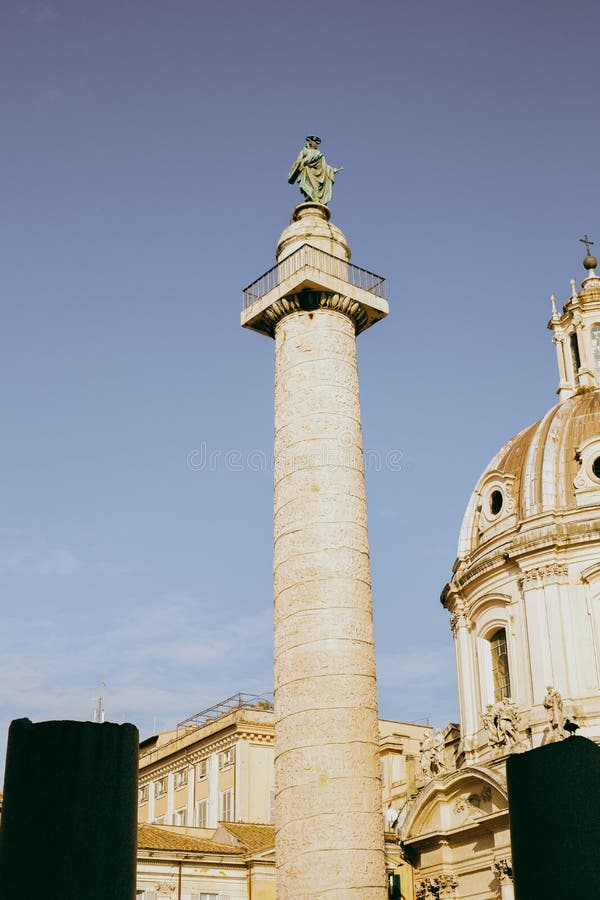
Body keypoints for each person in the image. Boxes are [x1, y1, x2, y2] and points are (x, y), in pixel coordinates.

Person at [288, 136, 343, 205]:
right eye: (315, 142)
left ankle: (316, 199)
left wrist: (332, 170)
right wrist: (301, 164)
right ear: (310, 142)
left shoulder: (319, 154)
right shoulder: (305, 151)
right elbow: (298, 161)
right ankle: (310, 197)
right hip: (307, 172)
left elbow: (324, 166)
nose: (316, 144)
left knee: (316, 190)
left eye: (317, 143)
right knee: (308, 187)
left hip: (319, 174)